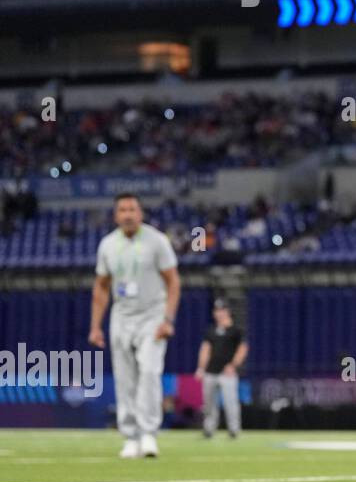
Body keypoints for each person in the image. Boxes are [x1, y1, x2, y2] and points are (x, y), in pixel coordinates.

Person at [88, 193, 181, 459]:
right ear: (116, 215)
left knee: (150, 371)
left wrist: (168, 319)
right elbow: (101, 287)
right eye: (122, 210)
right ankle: (130, 436)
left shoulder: (158, 241)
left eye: (132, 209)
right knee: (125, 377)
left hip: (152, 315)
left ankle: (149, 433)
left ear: (140, 213)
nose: (128, 214)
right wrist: (95, 326)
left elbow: (173, 282)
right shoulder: (107, 245)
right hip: (121, 316)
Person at [194, 298, 247, 439]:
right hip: (211, 372)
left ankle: (234, 430)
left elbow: (243, 349)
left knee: (231, 402)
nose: (219, 313)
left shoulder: (236, 330)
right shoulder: (211, 331)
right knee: (209, 404)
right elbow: (205, 349)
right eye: (217, 310)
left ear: (228, 311)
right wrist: (201, 368)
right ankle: (209, 429)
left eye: (222, 310)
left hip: (227, 373)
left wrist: (233, 365)